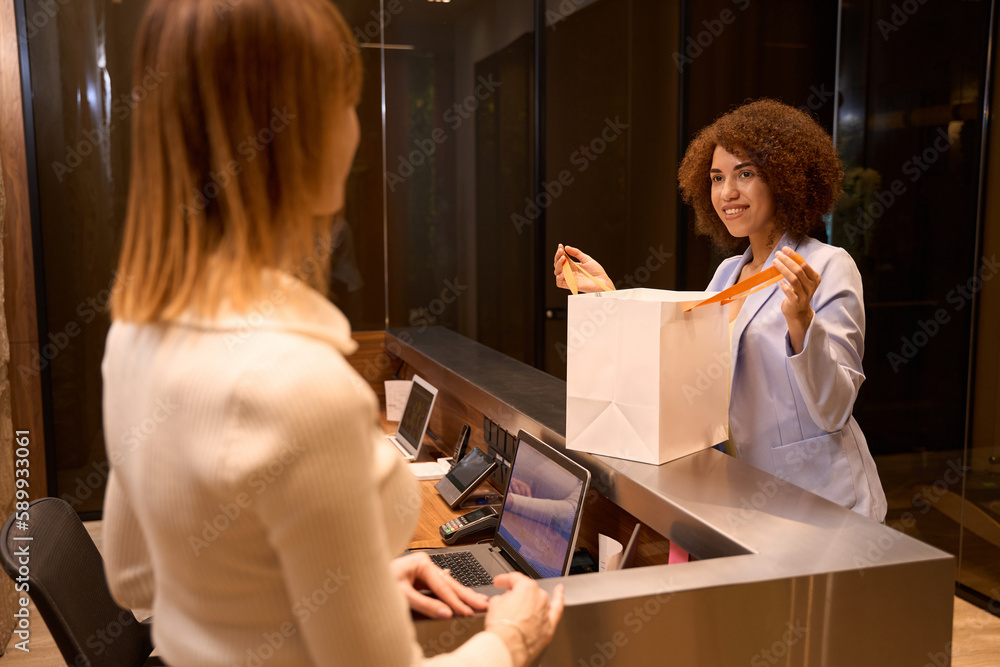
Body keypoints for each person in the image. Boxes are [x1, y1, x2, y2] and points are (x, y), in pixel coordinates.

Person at [101, 1, 562, 665]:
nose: (355, 128)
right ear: (296, 134)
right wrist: (510, 638)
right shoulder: (301, 390)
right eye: (343, 102)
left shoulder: (136, 336)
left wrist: (343, 588)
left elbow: (137, 574)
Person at [554, 99, 887, 522]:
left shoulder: (827, 265)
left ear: (783, 178)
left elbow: (835, 407)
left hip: (824, 500)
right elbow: (679, 366)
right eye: (716, 178)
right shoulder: (729, 273)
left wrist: (802, 320)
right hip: (747, 493)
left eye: (745, 174)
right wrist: (608, 297)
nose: (727, 192)